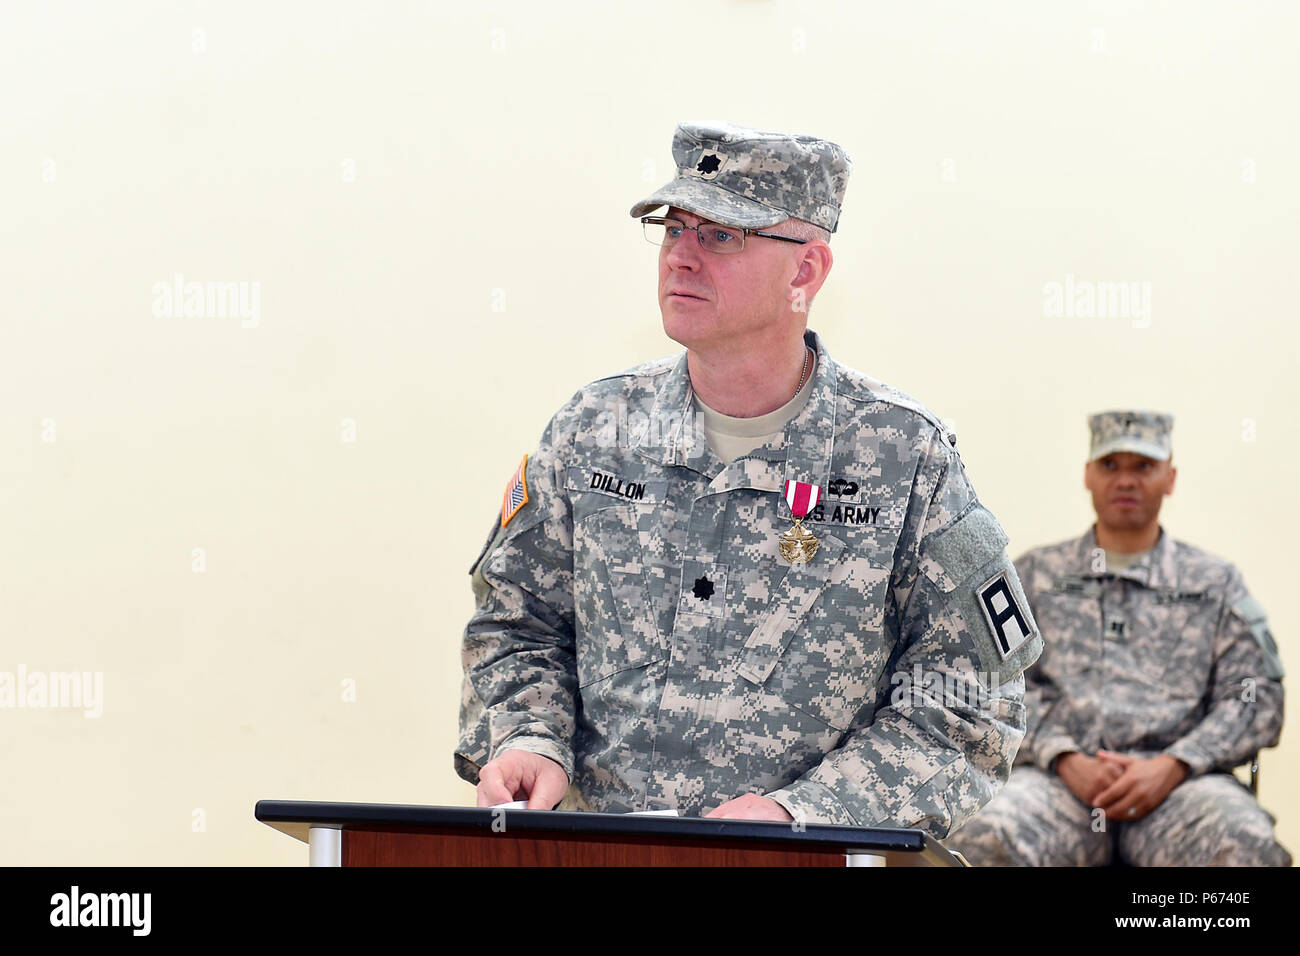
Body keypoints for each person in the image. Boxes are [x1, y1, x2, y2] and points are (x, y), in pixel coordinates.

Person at [455, 120, 1042, 833]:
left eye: (721, 237)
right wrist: (530, 739)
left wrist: (804, 812)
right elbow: (518, 625)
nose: (681, 258)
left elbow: (970, 701)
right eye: (673, 229)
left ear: (806, 271)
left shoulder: (904, 457)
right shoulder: (592, 431)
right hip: (602, 849)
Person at [945, 411, 1289, 865]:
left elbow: (1256, 696)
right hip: (1056, 786)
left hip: (1183, 792)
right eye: (1111, 466)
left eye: (1143, 467)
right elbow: (989, 681)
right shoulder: (1036, 577)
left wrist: (1176, 763)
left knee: (1243, 845)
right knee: (984, 838)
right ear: (1088, 475)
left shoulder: (1216, 583)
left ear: (1170, 478)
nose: (1125, 480)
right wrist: (1063, 756)